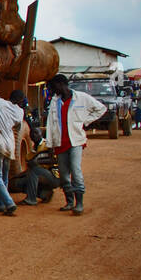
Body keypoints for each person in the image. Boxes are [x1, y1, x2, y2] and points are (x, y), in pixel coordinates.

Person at [45, 74, 107, 215]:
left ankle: (79, 203)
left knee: (76, 171)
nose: (52, 90)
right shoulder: (55, 102)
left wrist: (86, 121)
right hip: (60, 143)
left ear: (61, 84)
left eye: (53, 87)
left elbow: (101, 109)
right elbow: (50, 125)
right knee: (64, 175)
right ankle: (69, 202)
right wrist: (50, 145)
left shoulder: (82, 98)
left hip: (76, 142)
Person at [0, 89, 27, 215]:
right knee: (4, 176)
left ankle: (9, 203)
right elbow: (17, 126)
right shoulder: (20, 112)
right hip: (9, 145)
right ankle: (0, 204)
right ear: (20, 100)